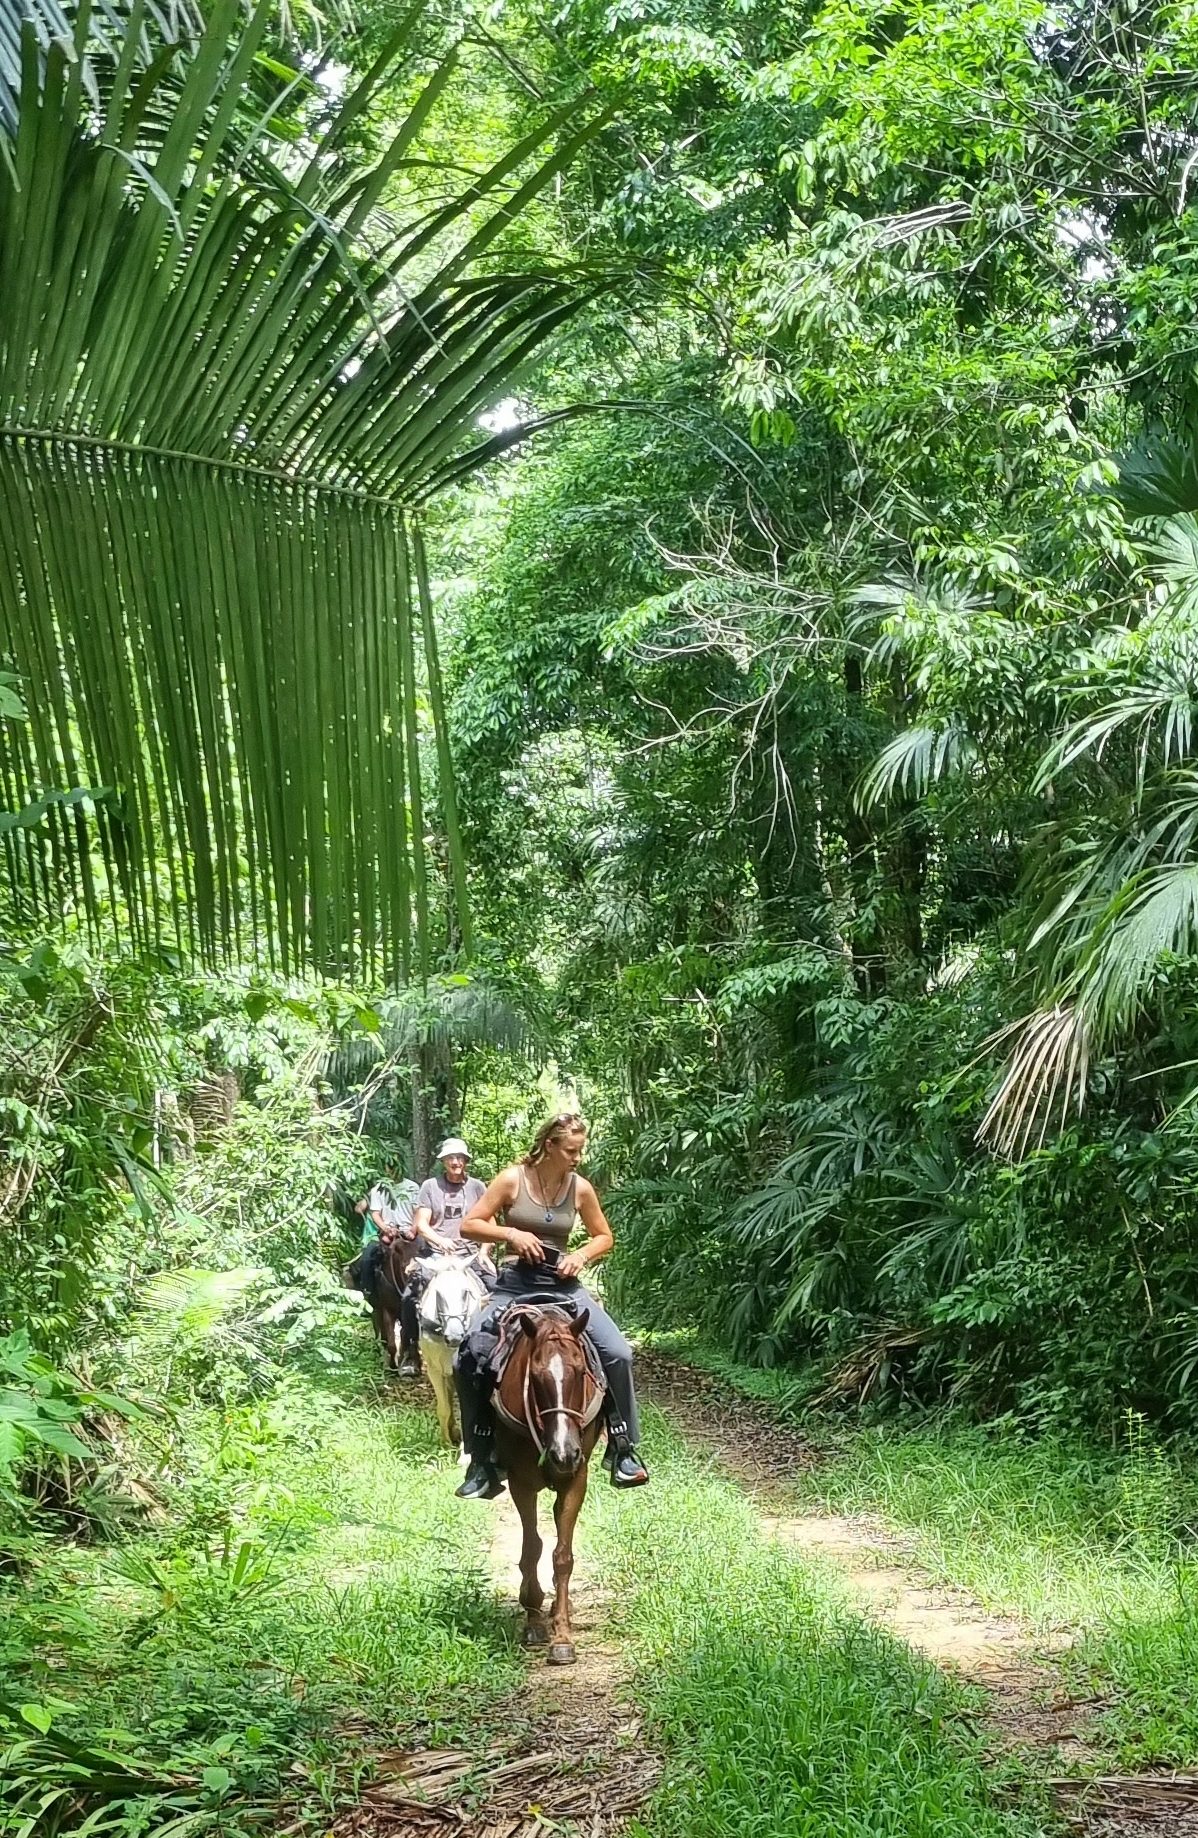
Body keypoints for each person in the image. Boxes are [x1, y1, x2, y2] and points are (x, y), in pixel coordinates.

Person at [453, 1112, 649, 1500]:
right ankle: (481, 1458)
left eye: (581, 1151)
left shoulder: (580, 1188)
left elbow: (603, 1236)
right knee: (468, 1355)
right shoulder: (512, 1179)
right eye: (571, 1151)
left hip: (564, 1287)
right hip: (515, 1287)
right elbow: (469, 1225)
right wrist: (510, 1232)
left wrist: (580, 1256)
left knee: (618, 1352)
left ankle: (623, 1447)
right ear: (550, 1146)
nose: (577, 1158)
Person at [408, 1138, 488, 1256]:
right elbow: (421, 1224)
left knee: (491, 1275)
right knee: (415, 1273)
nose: (455, 1162)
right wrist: (440, 1241)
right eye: (450, 1158)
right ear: (443, 1161)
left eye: (459, 1157)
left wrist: (484, 1252)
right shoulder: (430, 1186)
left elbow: (489, 1223)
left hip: (470, 1253)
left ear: (465, 1161)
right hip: (436, 1252)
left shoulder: (477, 1187)